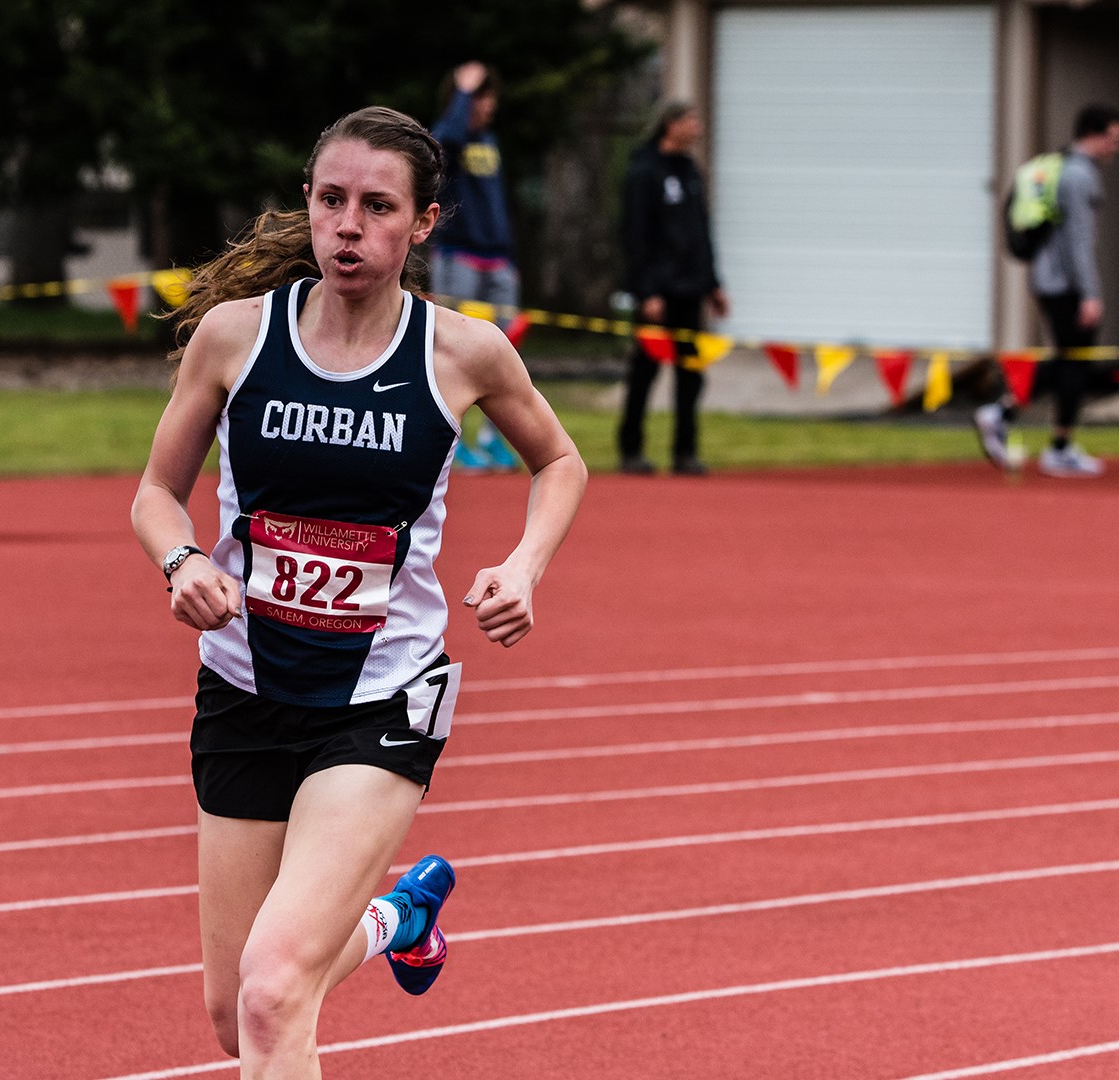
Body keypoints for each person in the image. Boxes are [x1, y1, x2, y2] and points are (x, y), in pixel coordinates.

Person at [131, 106, 586, 1076]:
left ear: (421, 224)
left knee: (272, 988)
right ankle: (400, 914)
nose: (347, 224)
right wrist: (184, 563)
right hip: (245, 692)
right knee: (233, 1010)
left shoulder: (461, 352)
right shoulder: (236, 338)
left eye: (377, 206)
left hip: (380, 700)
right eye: (331, 199)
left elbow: (561, 461)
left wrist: (523, 567)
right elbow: (155, 495)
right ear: (307, 203)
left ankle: (383, 913)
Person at [976, 104, 1119, 480]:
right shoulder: (1079, 176)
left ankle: (1007, 413)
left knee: (1068, 358)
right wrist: (1090, 292)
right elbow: (1079, 240)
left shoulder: (1060, 168)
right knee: (1075, 359)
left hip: (1049, 279)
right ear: (1095, 134)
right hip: (1065, 284)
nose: (1117, 147)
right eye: (1114, 138)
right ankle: (1053, 443)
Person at [617, 101, 727, 477]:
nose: (697, 127)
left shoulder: (690, 170)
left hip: (690, 291)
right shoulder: (644, 171)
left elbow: (701, 232)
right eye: (691, 120)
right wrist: (646, 291)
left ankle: (686, 452)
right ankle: (630, 450)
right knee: (644, 372)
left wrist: (714, 284)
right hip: (657, 295)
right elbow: (635, 236)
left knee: (691, 375)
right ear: (671, 124)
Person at [429, 61, 521, 472]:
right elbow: (443, 141)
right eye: (478, 97)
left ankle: (492, 440)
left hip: (497, 261)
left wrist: (510, 259)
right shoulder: (446, 138)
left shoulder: (490, 142)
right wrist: (463, 92)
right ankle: (455, 443)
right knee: (453, 353)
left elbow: (498, 204)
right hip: (458, 258)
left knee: (503, 354)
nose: (488, 105)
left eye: (488, 97)